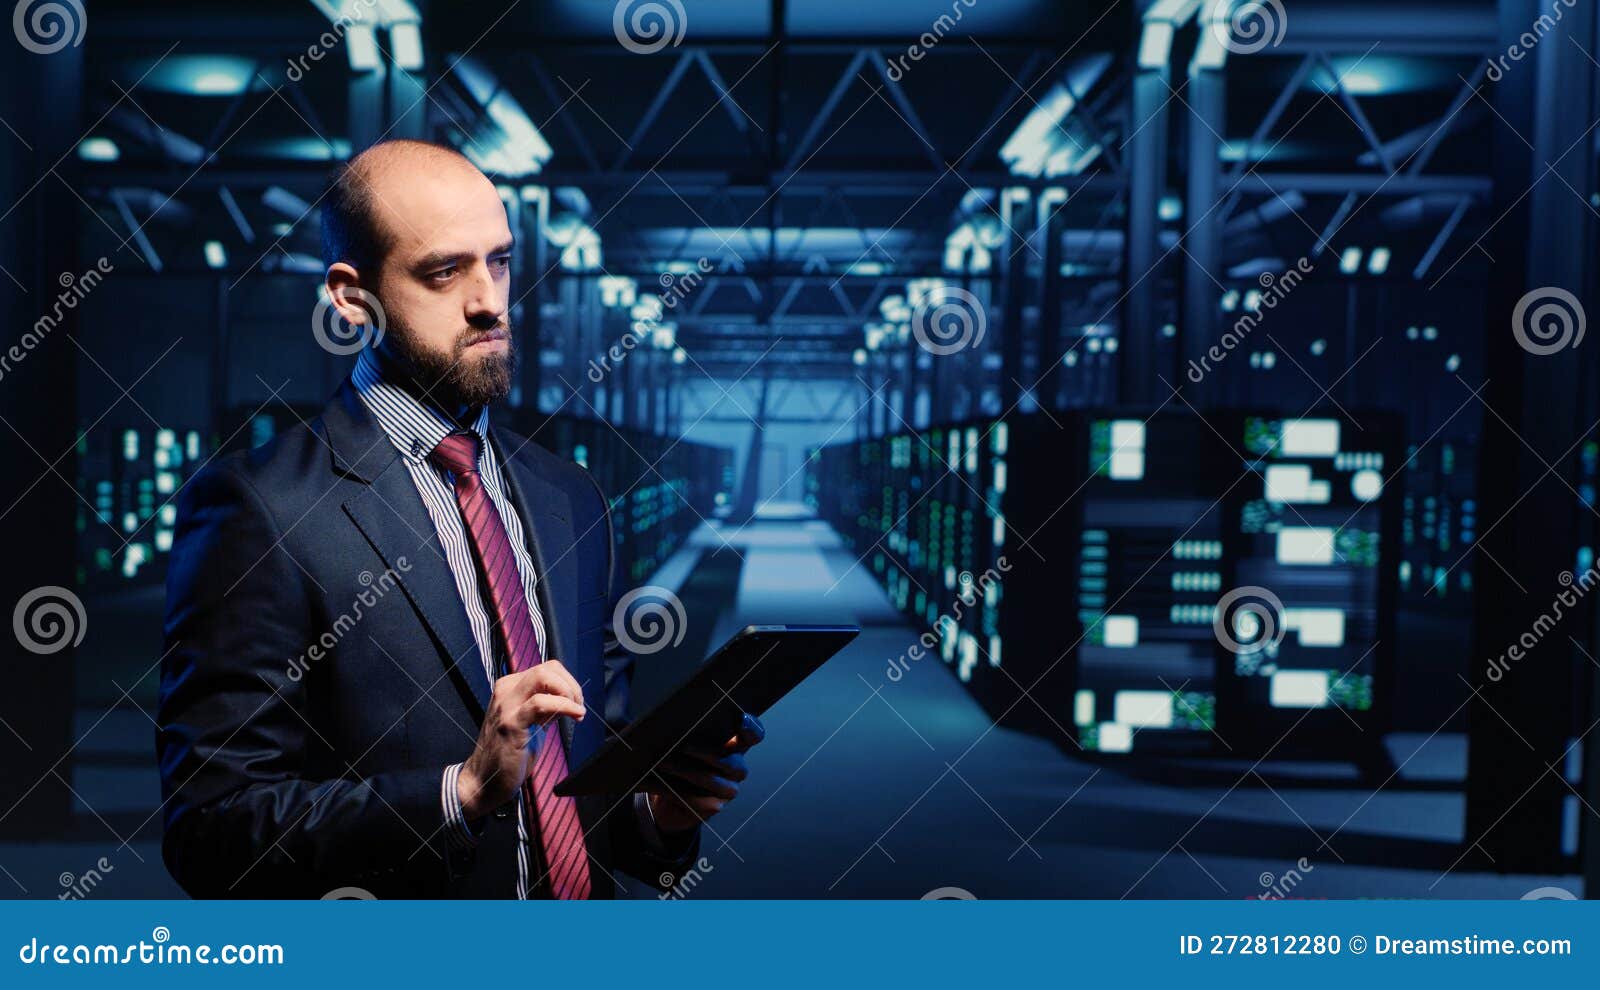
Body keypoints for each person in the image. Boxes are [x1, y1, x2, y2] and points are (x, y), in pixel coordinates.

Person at [156, 139, 761, 898]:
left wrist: (657, 812)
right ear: (351, 297)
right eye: (445, 271)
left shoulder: (567, 496)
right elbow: (211, 832)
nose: (489, 301)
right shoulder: (261, 508)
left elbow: (582, 786)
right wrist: (460, 792)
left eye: (500, 261)